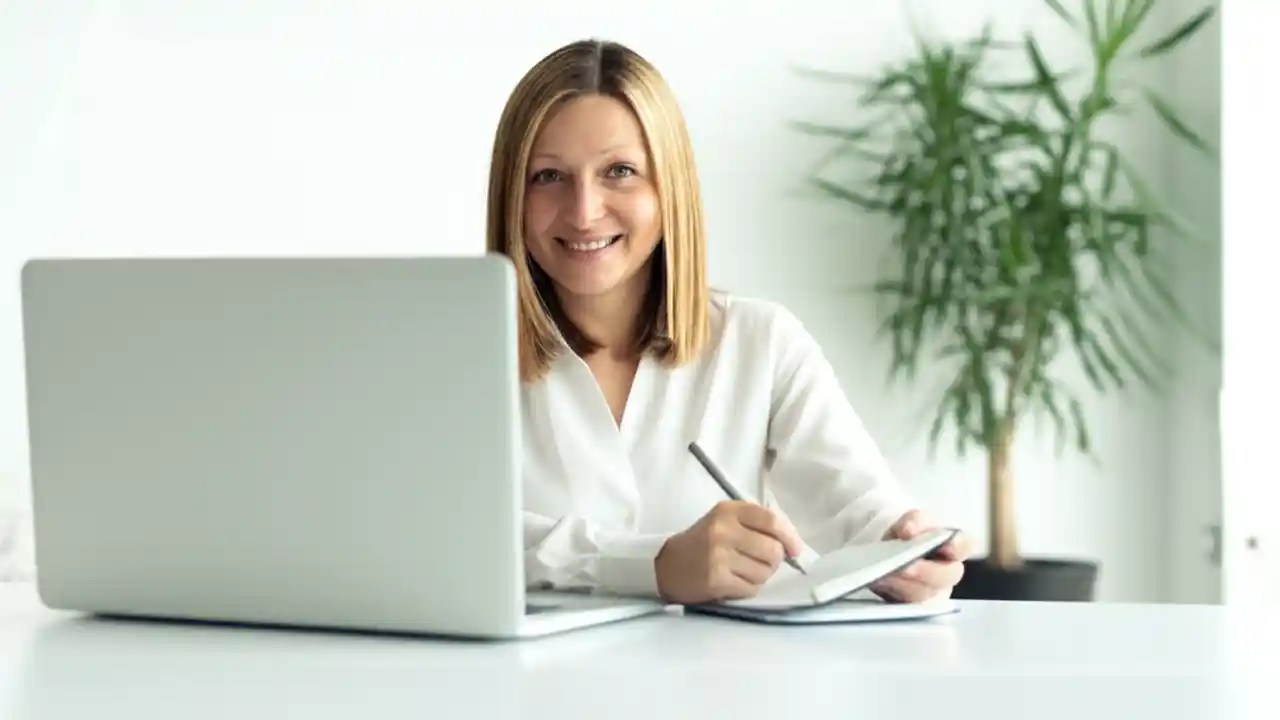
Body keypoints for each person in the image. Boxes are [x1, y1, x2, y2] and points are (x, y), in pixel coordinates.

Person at [485, 38, 971, 606]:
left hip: (721, 689)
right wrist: (656, 566)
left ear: (670, 189)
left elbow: (861, 508)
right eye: (548, 176)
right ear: (512, 194)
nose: (584, 211)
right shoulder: (459, 358)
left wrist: (904, 550)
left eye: (619, 171)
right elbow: (454, 534)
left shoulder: (760, 342)